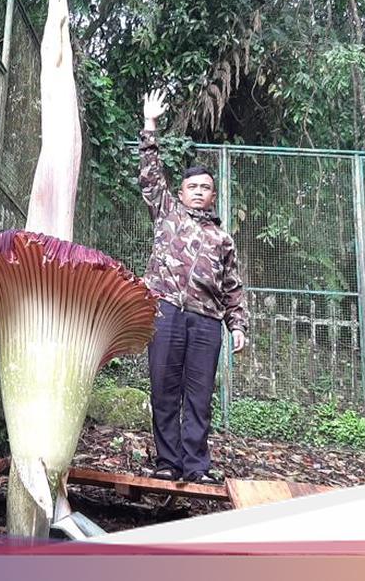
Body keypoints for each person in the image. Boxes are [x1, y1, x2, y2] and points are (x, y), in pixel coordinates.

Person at [137, 89, 248, 485]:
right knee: (164, 391)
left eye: (206, 187)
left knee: (199, 397)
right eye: (193, 187)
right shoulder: (166, 214)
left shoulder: (223, 239)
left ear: (213, 196)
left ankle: (196, 467)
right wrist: (150, 126)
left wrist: (237, 325)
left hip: (205, 322)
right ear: (181, 193)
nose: (199, 191)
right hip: (165, 313)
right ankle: (168, 463)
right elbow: (150, 174)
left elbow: (233, 286)